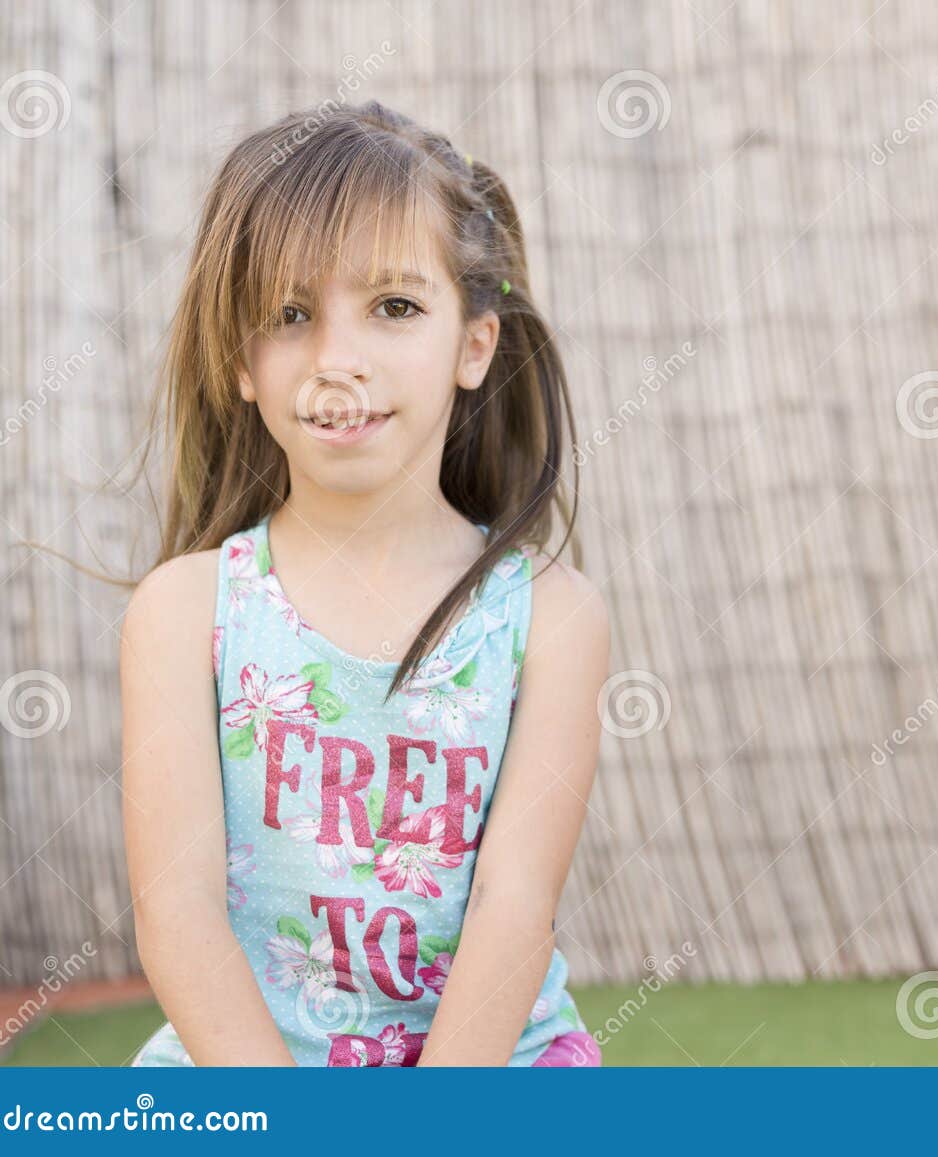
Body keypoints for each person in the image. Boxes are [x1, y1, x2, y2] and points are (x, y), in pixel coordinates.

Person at [121, 101, 607, 1067]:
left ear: (475, 344)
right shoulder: (183, 613)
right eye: (291, 315)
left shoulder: (552, 618)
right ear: (240, 362)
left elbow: (516, 906)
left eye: (394, 307)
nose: (338, 360)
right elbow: (177, 911)